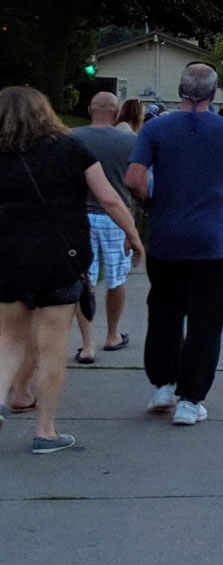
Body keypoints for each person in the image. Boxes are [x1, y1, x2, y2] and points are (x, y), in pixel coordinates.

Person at [0, 86, 143, 453]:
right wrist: (133, 235)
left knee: (9, 339)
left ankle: (3, 398)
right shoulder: (71, 148)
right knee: (52, 347)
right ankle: (45, 431)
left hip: (9, 260)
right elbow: (109, 197)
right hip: (61, 259)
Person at [124, 63, 223, 426]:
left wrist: (150, 203)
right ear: (213, 93)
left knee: (164, 312)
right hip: (212, 241)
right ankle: (191, 401)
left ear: (180, 91)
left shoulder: (156, 127)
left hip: (166, 239)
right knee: (206, 322)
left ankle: (163, 384)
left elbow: (133, 178)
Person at [71, 92, 139, 362]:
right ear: (116, 112)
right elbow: (136, 182)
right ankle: (112, 335)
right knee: (116, 278)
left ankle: (87, 344)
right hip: (116, 216)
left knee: (83, 280)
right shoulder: (130, 141)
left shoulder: (70, 138)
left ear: (89, 109)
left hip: (79, 216)